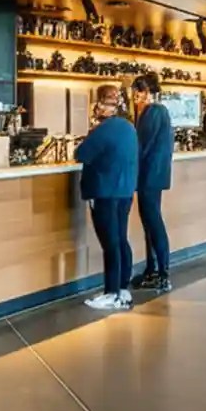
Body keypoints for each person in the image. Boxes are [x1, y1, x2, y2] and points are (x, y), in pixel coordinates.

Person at [76, 84, 139, 311]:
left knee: (110, 243)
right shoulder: (129, 128)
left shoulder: (104, 129)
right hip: (124, 191)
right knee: (121, 239)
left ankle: (111, 293)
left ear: (103, 104)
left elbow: (80, 154)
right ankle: (123, 289)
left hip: (104, 191)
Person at [129, 74, 173, 293]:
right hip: (155, 175)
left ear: (145, 91)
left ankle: (162, 272)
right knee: (150, 222)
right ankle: (153, 270)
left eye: (137, 94)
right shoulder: (161, 111)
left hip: (149, 176)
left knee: (153, 222)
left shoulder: (152, 112)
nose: (136, 99)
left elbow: (141, 145)